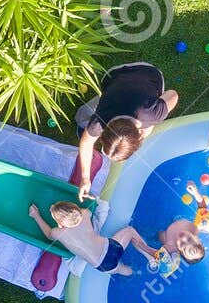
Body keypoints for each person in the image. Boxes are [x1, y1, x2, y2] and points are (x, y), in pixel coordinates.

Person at [74, 62, 179, 200]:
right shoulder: (99, 121)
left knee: (85, 116)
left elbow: (172, 95)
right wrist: (85, 178)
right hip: (120, 74)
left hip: (137, 75)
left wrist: (158, 106)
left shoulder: (152, 115)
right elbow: (86, 144)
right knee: (86, 116)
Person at [28, 201, 150, 276]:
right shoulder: (85, 214)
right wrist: (60, 209)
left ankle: (135, 273)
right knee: (130, 231)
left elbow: (48, 234)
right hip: (112, 247)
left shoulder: (57, 232)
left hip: (103, 265)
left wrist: (36, 215)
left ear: (60, 223)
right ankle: (150, 256)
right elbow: (78, 212)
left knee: (122, 270)